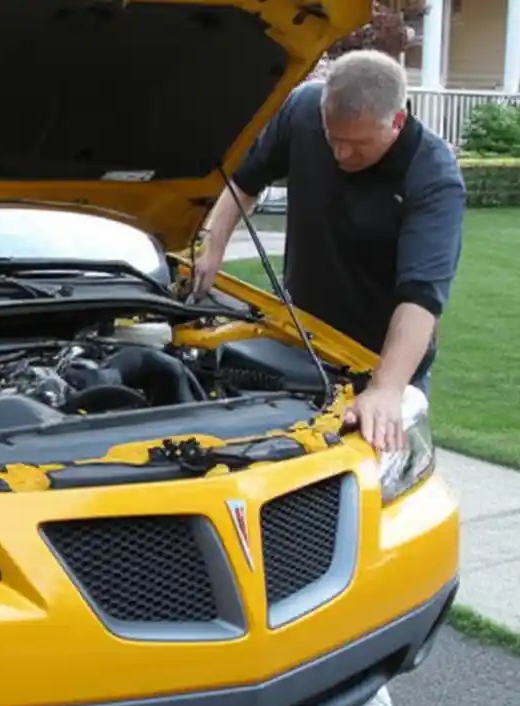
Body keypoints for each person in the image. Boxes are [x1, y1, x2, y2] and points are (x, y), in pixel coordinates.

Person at [190, 49, 464, 456]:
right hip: (299, 336)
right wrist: (210, 248)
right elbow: (243, 183)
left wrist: (386, 390)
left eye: (358, 145)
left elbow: (421, 297)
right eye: (332, 137)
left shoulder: (433, 178)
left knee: (379, 484)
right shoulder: (302, 111)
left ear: (397, 122)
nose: (340, 154)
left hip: (380, 360)